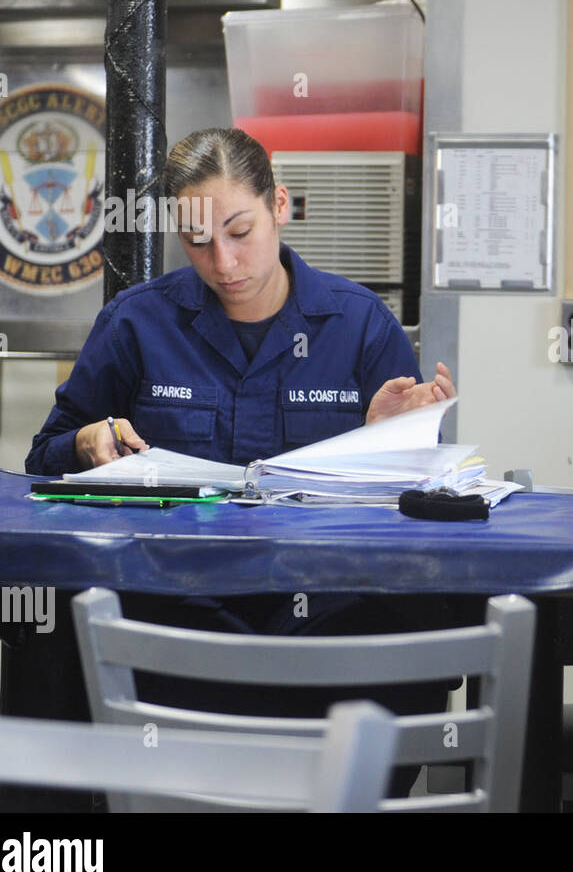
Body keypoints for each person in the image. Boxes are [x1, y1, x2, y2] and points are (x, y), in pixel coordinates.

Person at [25, 127, 460, 796]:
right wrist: (87, 443)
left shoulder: (360, 326)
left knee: (418, 623)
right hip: (175, 606)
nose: (223, 262)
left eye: (239, 231)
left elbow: (414, 510)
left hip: (321, 615)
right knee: (58, 618)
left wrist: (393, 448)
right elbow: (44, 458)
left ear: (279, 205)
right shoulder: (138, 323)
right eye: (198, 241)